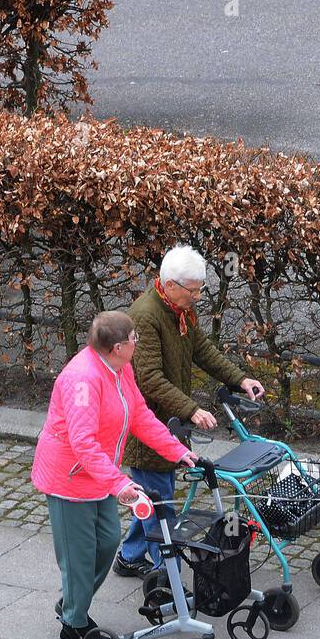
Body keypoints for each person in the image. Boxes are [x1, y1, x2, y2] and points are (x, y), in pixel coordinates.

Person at [31, 310, 196, 639]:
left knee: (107, 542)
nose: (138, 342)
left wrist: (176, 450)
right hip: (70, 480)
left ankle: (71, 602)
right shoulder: (83, 380)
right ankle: (73, 625)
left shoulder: (120, 369)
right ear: (118, 346)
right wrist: (120, 484)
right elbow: (83, 444)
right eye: (134, 338)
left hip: (98, 477)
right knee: (78, 556)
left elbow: (139, 415)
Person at [113, 244, 265, 577]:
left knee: (157, 495)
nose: (197, 297)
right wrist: (193, 409)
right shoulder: (145, 316)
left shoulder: (179, 309)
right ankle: (163, 575)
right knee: (160, 501)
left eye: (199, 290)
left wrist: (240, 379)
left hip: (170, 424)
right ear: (170, 285)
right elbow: (149, 379)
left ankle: (129, 556)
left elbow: (202, 350)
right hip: (149, 427)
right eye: (192, 291)